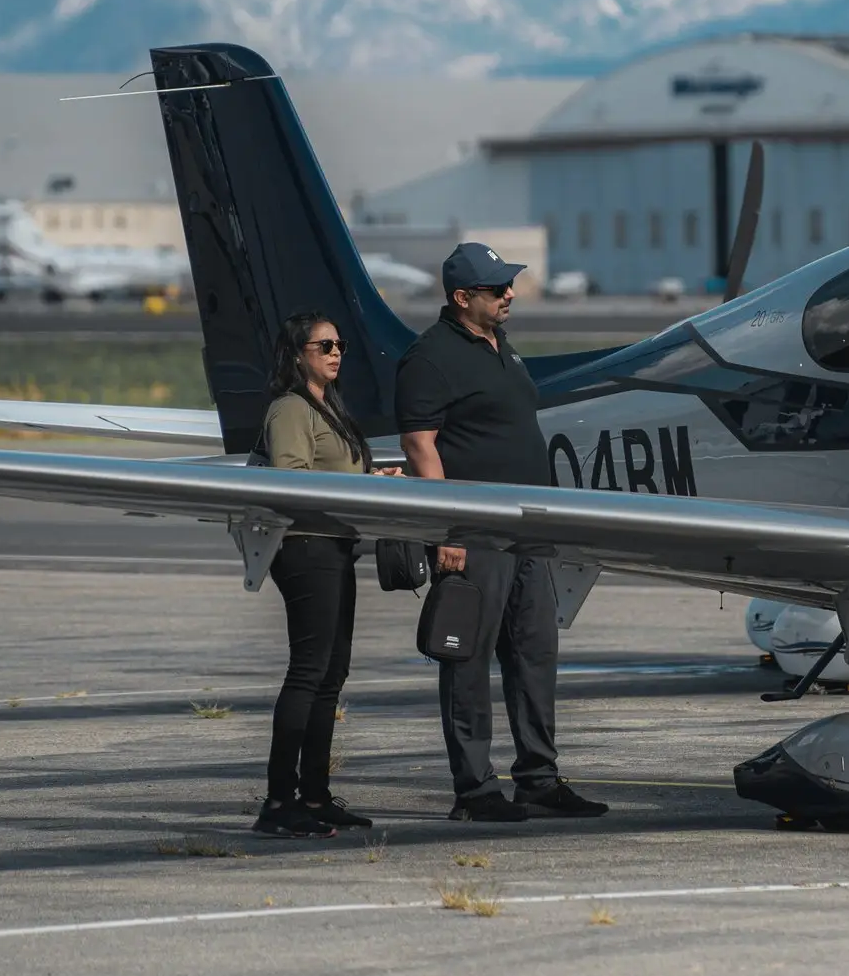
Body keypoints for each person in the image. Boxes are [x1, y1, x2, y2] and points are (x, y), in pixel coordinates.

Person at [397, 242, 609, 823]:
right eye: (496, 289)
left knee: (536, 652)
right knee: (467, 658)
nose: (509, 293)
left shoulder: (501, 348)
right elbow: (420, 446)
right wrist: (447, 530)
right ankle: (475, 789)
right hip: (476, 531)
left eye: (508, 284)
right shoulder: (430, 357)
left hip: (526, 532)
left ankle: (538, 778)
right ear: (462, 298)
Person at [252, 311, 398, 839]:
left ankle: (313, 793)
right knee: (309, 671)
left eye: (339, 345)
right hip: (306, 547)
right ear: (298, 355)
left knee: (331, 673)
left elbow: (336, 474)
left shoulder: (328, 408)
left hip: (334, 546)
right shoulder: (291, 408)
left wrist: (376, 480)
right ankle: (277, 801)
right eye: (324, 346)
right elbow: (292, 479)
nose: (336, 353)